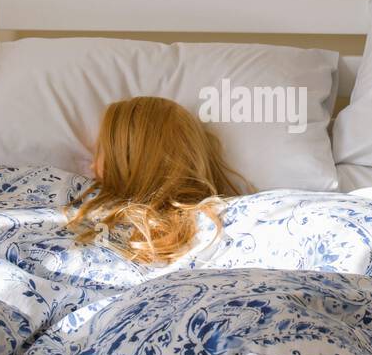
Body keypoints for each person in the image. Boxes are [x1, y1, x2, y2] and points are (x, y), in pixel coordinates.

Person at [66, 96, 246, 264]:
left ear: (128, 158)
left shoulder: (82, 203)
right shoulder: (229, 219)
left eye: (100, 151)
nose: (91, 166)